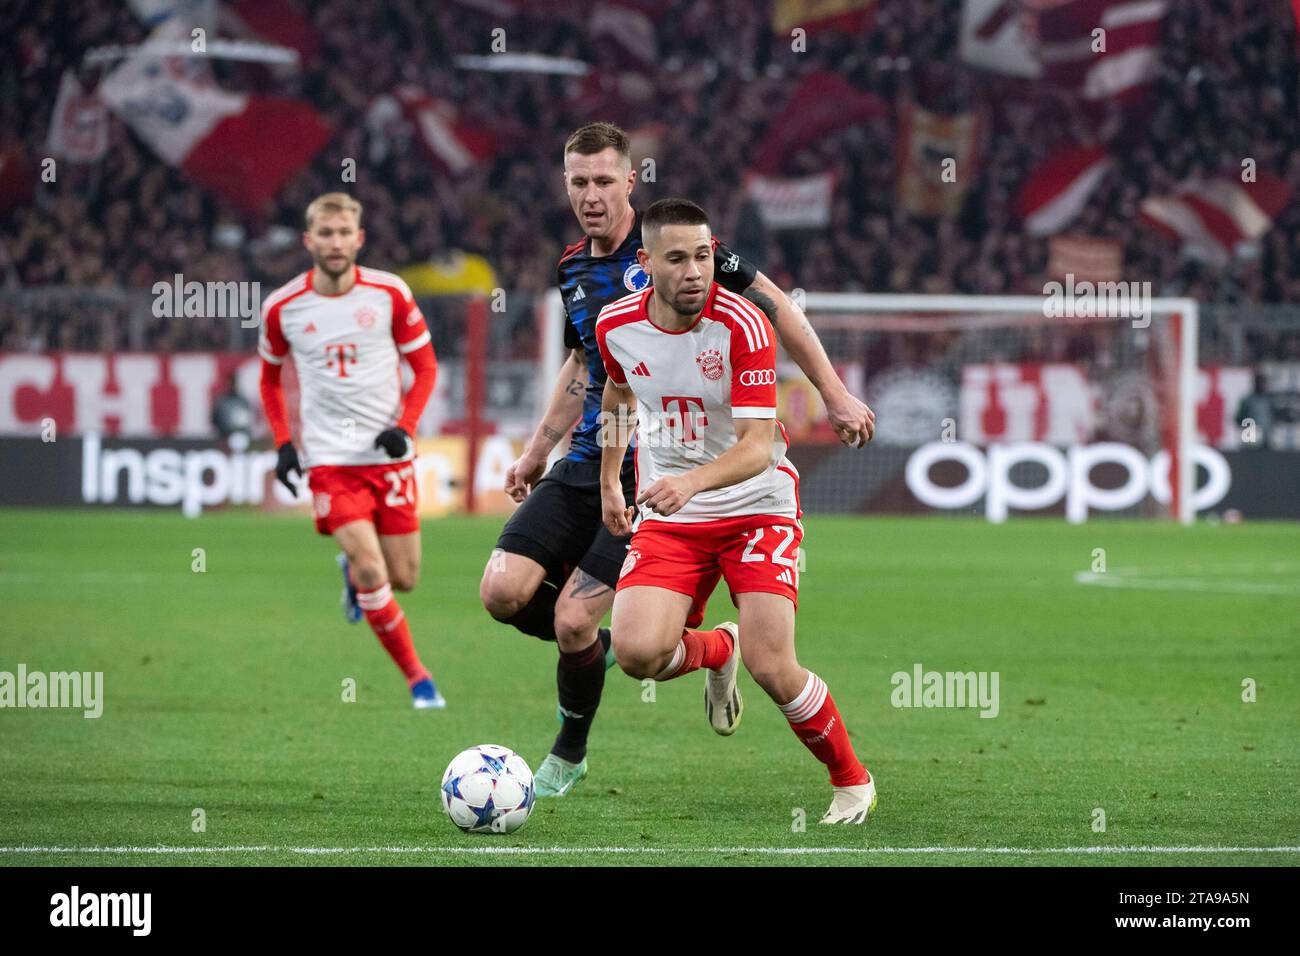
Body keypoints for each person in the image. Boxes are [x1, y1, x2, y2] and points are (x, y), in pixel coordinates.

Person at [479, 121, 876, 797]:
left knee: (578, 620)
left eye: (605, 180)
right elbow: (588, 364)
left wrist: (833, 391)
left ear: (631, 181)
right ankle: (693, 647)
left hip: (658, 468)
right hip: (594, 453)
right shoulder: (574, 266)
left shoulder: (680, 247)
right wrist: (538, 448)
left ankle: (569, 752)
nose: (592, 195)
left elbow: (775, 306)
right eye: (580, 182)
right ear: (565, 185)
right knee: (503, 592)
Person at [596, 198, 876, 824]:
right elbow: (617, 392)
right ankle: (716, 651)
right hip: (674, 511)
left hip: (757, 504)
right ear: (646, 263)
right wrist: (610, 478)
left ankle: (851, 780)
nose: (695, 271)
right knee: (638, 654)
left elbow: (756, 448)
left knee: (772, 664)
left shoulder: (742, 324)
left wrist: (690, 482)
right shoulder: (615, 325)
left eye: (703, 255)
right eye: (677, 258)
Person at [258, 192, 445, 709]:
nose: (335, 243)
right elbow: (270, 379)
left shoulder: (389, 293)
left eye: (344, 233)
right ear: (308, 240)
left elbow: (426, 367)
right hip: (330, 462)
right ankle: (419, 681)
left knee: (403, 578)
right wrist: (283, 443)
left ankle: (354, 572)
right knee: (372, 570)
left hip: (387, 457)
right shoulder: (283, 307)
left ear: (358, 239)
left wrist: (405, 427)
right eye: (325, 233)